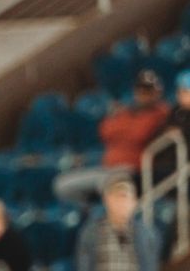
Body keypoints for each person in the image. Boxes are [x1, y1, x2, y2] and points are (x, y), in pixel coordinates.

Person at [54, 70, 170, 207]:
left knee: (107, 184)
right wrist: (126, 128)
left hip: (132, 171)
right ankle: (90, 213)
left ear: (158, 92)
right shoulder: (127, 111)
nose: (144, 95)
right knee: (62, 185)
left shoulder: (161, 113)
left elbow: (139, 134)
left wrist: (122, 129)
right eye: (141, 91)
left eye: (149, 91)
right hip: (107, 168)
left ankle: (107, 216)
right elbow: (104, 130)